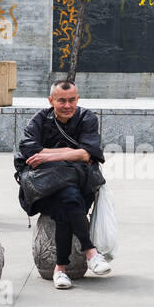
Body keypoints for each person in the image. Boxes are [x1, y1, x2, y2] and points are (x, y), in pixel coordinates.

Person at [14, 80, 111, 289]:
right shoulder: (39, 120)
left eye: (72, 100)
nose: (67, 105)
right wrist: (71, 154)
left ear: (77, 99)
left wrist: (48, 156)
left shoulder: (87, 118)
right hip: (43, 190)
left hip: (79, 187)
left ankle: (60, 270)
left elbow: (89, 152)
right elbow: (30, 151)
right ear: (51, 101)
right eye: (61, 101)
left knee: (66, 201)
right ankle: (90, 253)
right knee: (68, 197)